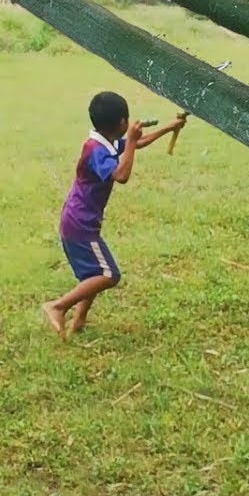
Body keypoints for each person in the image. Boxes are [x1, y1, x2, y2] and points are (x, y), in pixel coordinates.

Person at [42, 91, 186, 338]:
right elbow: (121, 175)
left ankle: (78, 322)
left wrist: (169, 127)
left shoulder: (104, 141)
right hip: (80, 224)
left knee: (94, 274)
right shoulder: (96, 150)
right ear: (122, 123)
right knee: (109, 275)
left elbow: (137, 143)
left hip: (79, 220)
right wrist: (130, 141)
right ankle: (57, 306)